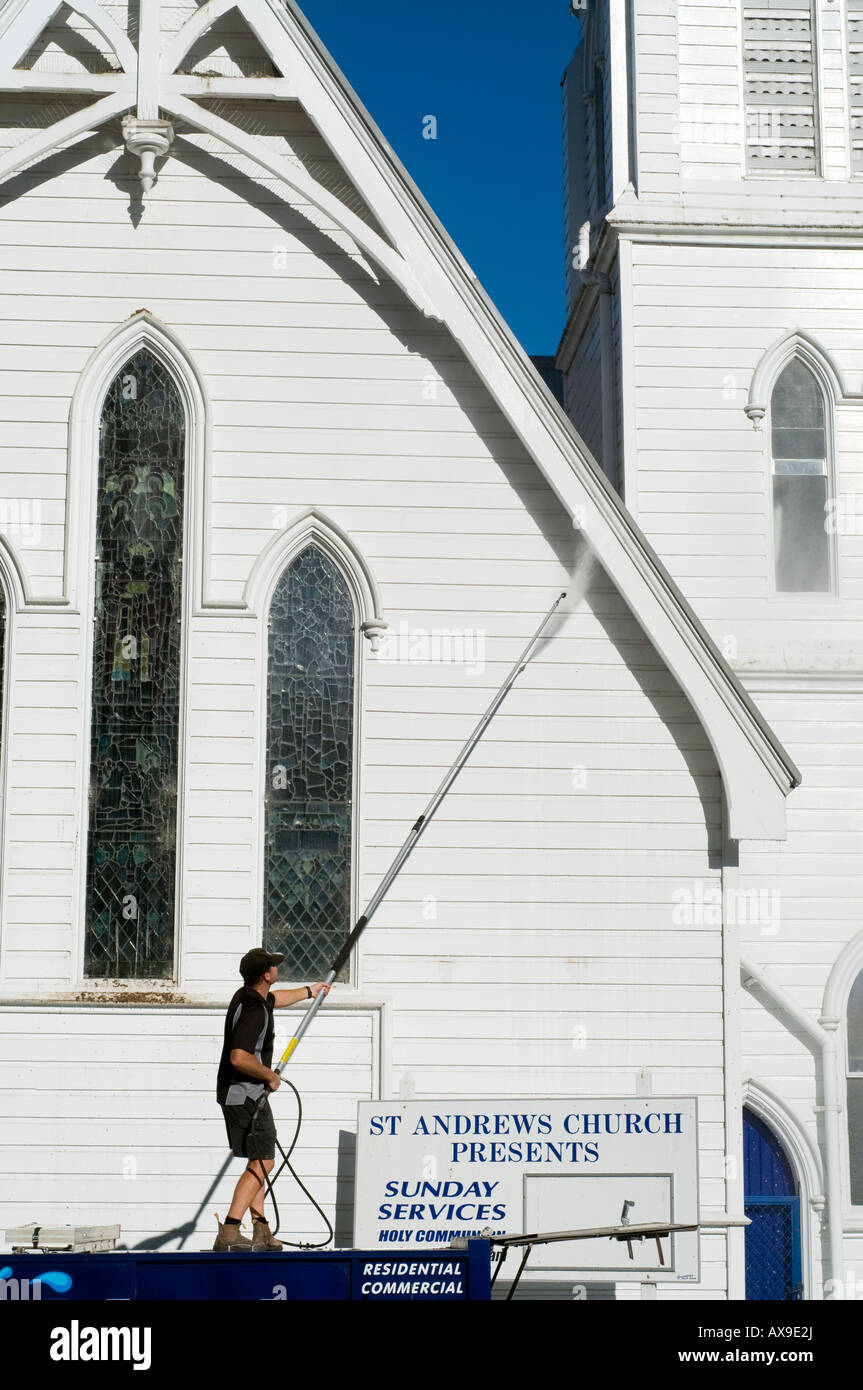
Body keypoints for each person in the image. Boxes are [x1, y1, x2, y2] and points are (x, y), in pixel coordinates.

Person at [214, 947, 330, 1252]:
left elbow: (277, 999)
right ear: (266, 974)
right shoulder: (254, 1011)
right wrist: (269, 1075)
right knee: (265, 1160)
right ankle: (230, 1229)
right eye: (274, 967)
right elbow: (238, 1057)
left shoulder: (249, 997)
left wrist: (310, 990)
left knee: (258, 1159)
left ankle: (261, 1230)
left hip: (238, 1093)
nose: (278, 969)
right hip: (246, 1093)